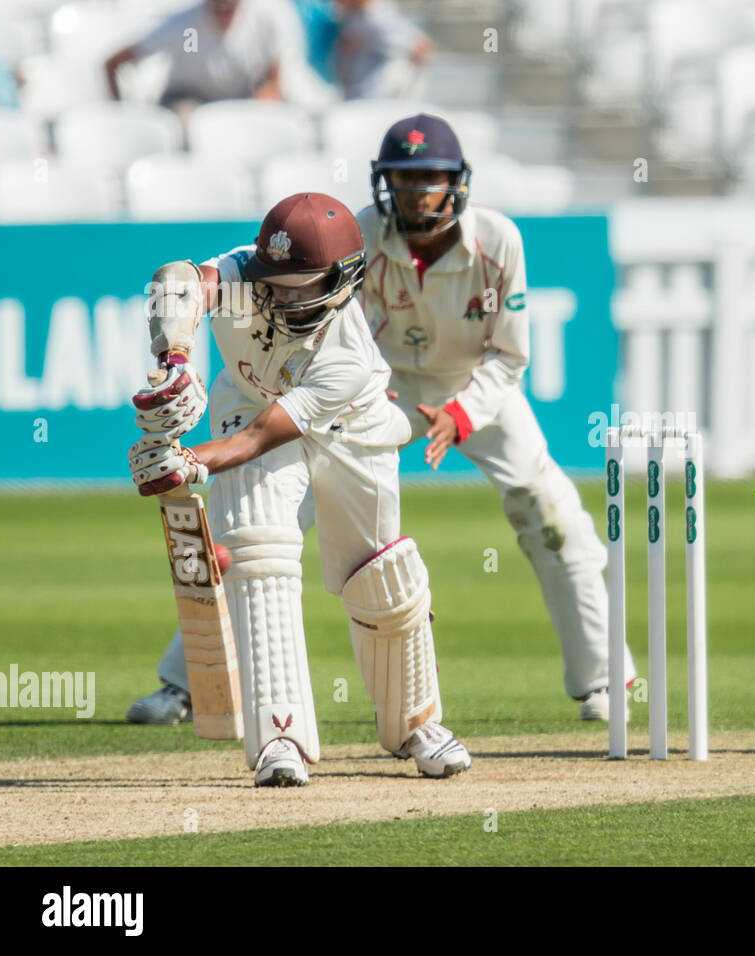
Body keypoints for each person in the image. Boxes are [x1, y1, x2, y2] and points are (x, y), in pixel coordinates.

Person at [128, 114, 634, 728]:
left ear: (457, 183)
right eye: (404, 178)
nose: (418, 193)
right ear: (383, 182)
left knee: (550, 511)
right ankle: (188, 684)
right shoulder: (357, 238)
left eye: (430, 180)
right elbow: (322, 337)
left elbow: (510, 357)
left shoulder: (499, 242)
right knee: (266, 522)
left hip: (473, 388)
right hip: (369, 390)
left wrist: (459, 415)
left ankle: (605, 679)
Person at [129, 192, 470, 785]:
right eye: (275, 282)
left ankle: (417, 725)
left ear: (343, 281)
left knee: (381, 579)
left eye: (301, 286)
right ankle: (278, 739)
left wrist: (187, 461)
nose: (283, 297)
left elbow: (265, 436)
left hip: (352, 427)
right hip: (248, 403)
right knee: (258, 550)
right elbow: (178, 282)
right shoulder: (244, 276)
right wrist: (176, 359)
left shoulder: (348, 358)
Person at [104, 0, 299, 110]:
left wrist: (260, 103)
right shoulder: (182, 25)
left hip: (240, 104)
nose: (225, 9)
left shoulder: (263, 23)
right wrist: (119, 112)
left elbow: (274, 81)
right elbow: (113, 62)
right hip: (187, 102)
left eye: (230, 7)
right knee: (187, 117)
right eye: (219, 7)